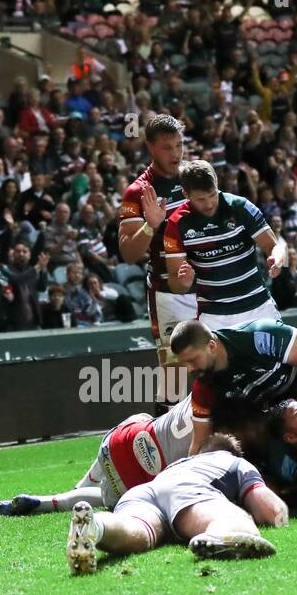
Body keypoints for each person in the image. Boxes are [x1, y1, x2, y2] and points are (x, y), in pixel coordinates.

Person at [64, 433, 288, 575]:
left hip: (142, 493)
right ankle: (216, 536)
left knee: (136, 530)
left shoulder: (181, 463)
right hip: (189, 491)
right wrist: (280, 509)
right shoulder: (236, 462)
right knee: (236, 519)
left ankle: (96, 526)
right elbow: (270, 511)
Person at [169, 318, 297, 454]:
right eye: (184, 363)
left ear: (211, 347)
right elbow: (199, 444)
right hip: (292, 402)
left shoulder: (257, 337)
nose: (188, 370)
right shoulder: (204, 386)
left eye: (193, 360)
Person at [0, 397, 195, 516]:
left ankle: (80, 486)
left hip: (112, 446)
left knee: (142, 418)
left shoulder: (201, 386)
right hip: (133, 484)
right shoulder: (221, 418)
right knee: (120, 496)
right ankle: (55, 501)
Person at [118, 114, 191, 408]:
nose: (175, 154)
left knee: (218, 366)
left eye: (178, 145)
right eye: (166, 147)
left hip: (208, 285)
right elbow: (128, 253)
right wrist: (150, 225)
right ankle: (163, 441)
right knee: (174, 374)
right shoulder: (138, 191)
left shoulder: (194, 178)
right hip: (167, 293)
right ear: (150, 147)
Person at [163, 159, 286, 329]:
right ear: (186, 194)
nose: (209, 204)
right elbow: (174, 282)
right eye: (200, 199)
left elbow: (275, 246)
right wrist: (183, 282)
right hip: (213, 316)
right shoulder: (177, 224)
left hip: (259, 307)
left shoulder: (240, 207)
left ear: (217, 183)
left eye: (212, 195)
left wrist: (277, 258)